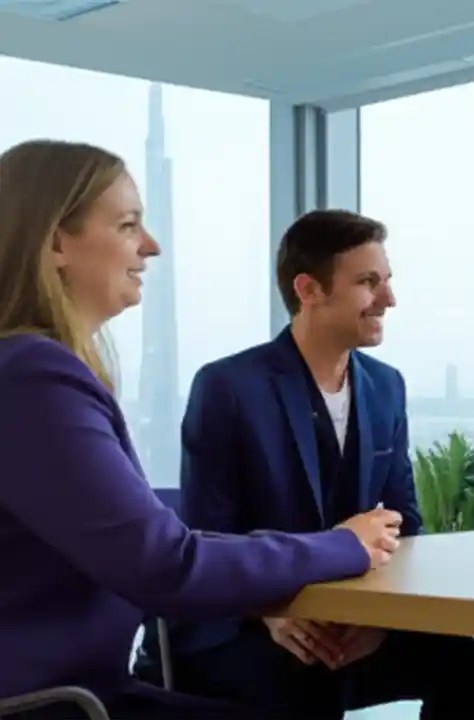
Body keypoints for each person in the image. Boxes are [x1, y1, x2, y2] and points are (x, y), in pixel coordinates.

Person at [0, 141, 403, 719]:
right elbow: (165, 564)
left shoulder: (31, 373)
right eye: (128, 224)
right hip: (55, 703)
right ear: (57, 241)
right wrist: (342, 545)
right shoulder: (34, 380)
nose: (151, 246)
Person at [139, 210, 474, 719]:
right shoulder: (227, 387)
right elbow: (207, 535)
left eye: (387, 281)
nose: (389, 299)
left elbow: (404, 526)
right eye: (369, 282)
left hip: (348, 621)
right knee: (307, 682)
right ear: (308, 290)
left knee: (460, 660)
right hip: (239, 622)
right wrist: (270, 612)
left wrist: (379, 622)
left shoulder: (386, 386)